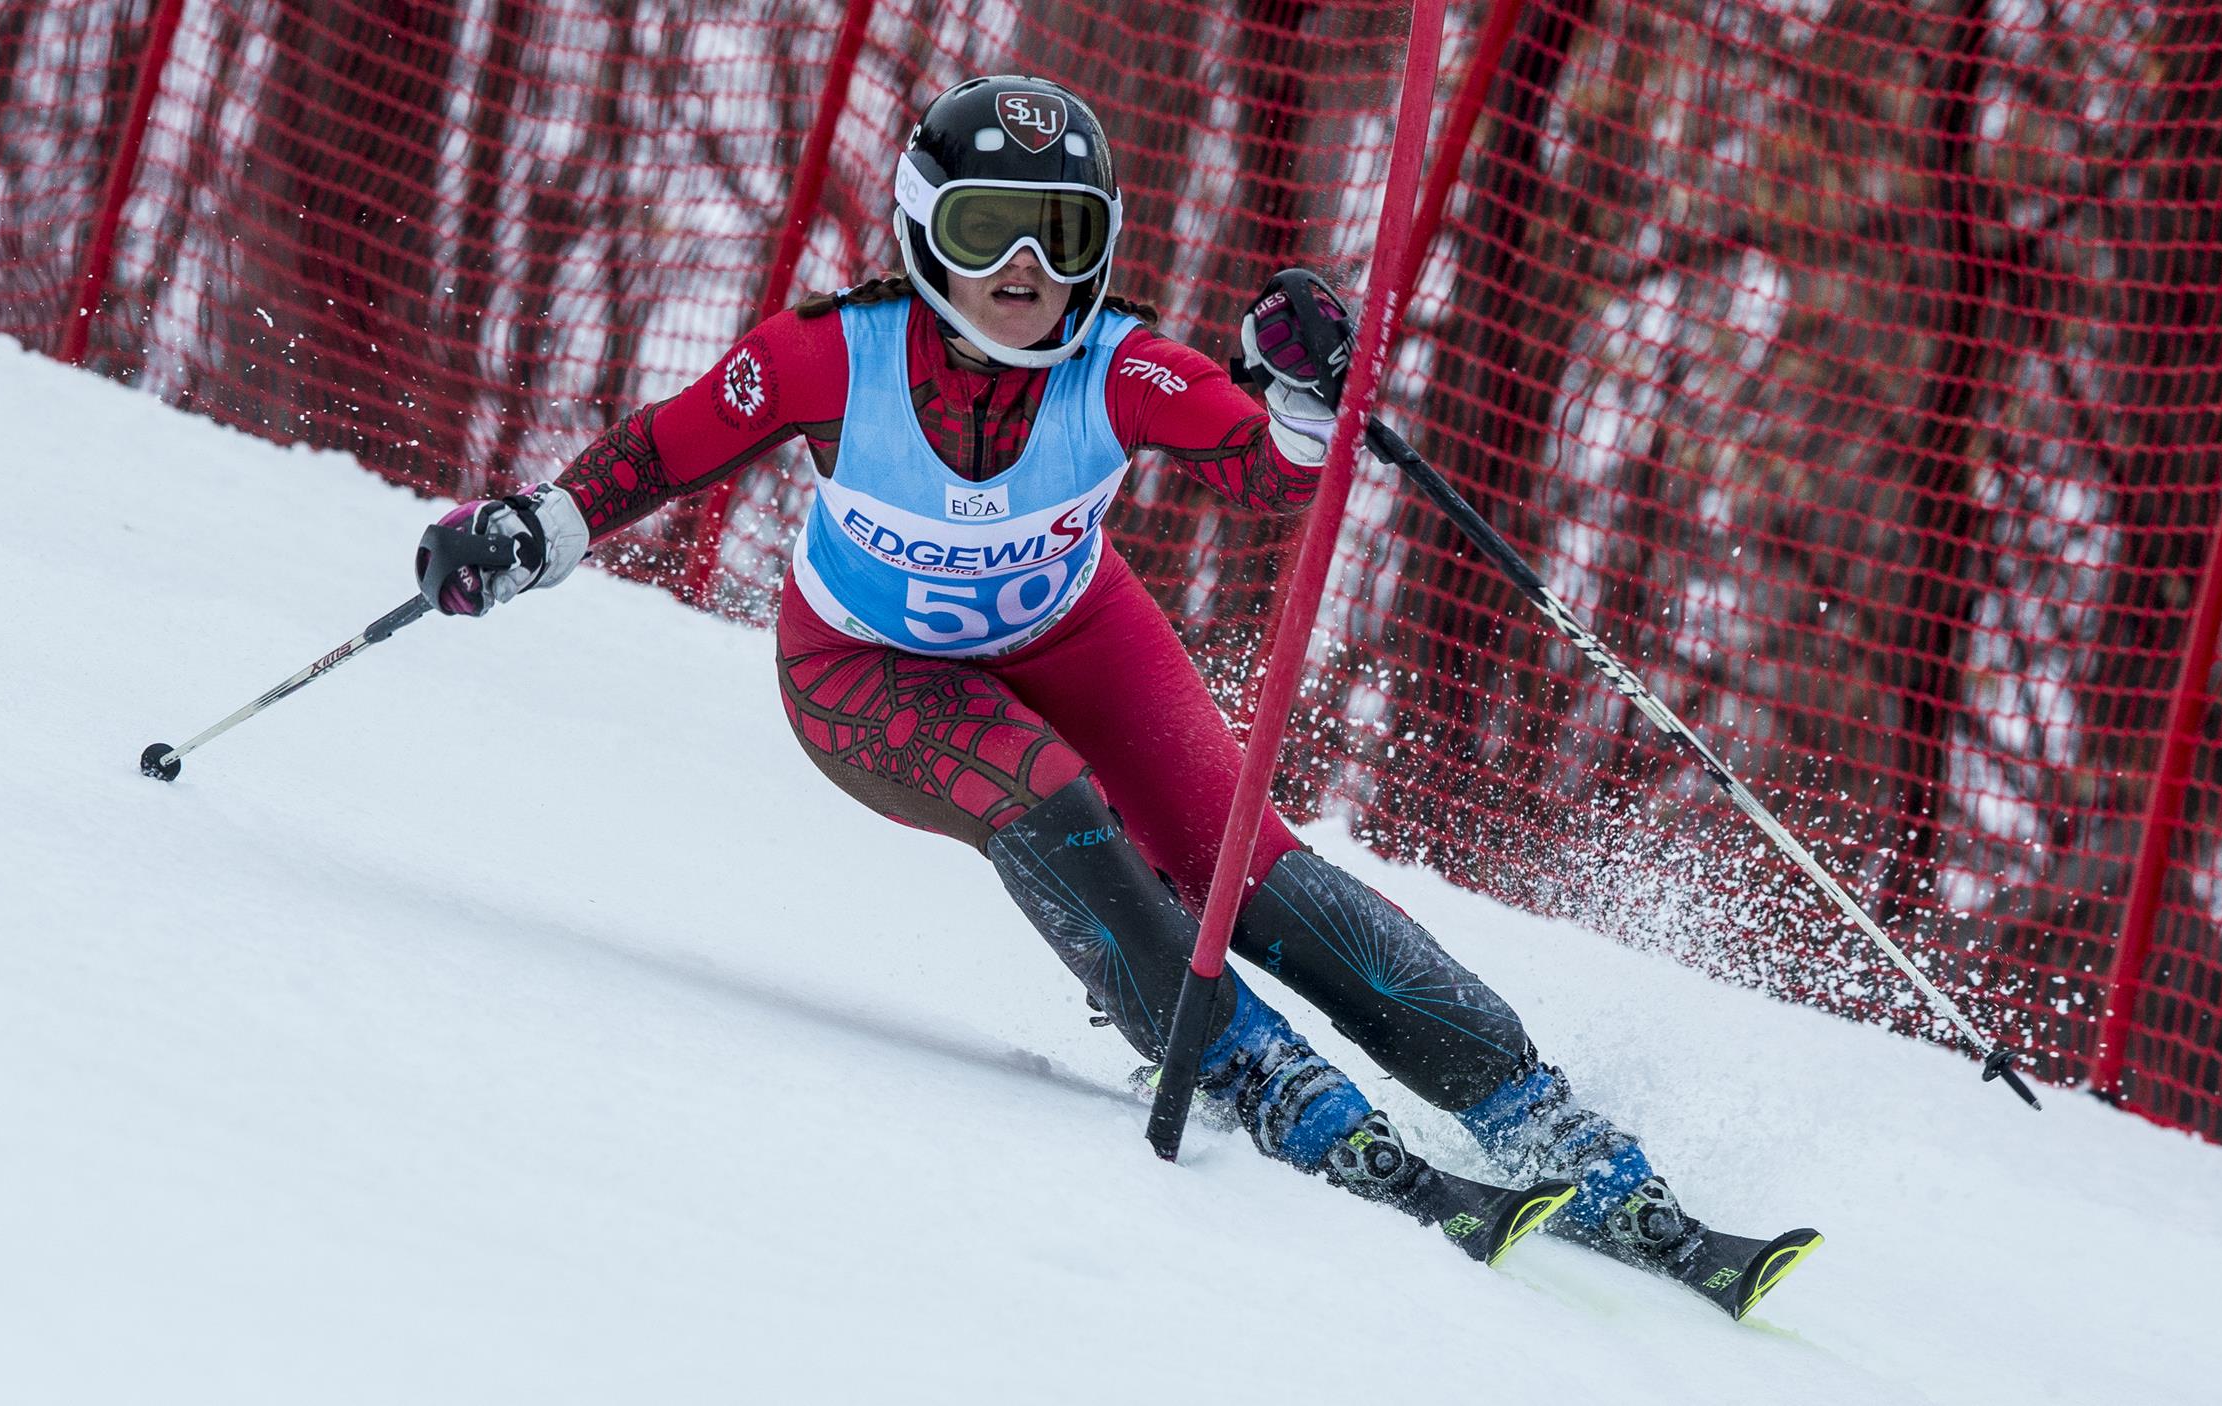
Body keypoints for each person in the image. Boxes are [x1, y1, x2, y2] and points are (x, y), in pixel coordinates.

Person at [412, 75, 1816, 1316]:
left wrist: (1304, 400)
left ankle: (1542, 1116)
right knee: (1051, 800)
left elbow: (1259, 464)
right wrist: (532, 531)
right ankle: (1266, 1080)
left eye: (1063, 235)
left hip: (1077, 632)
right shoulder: (829, 353)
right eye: (988, 232)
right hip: (865, 673)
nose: (1025, 269)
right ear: (926, 232)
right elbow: (664, 450)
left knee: (1246, 865)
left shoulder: (1116, 362)